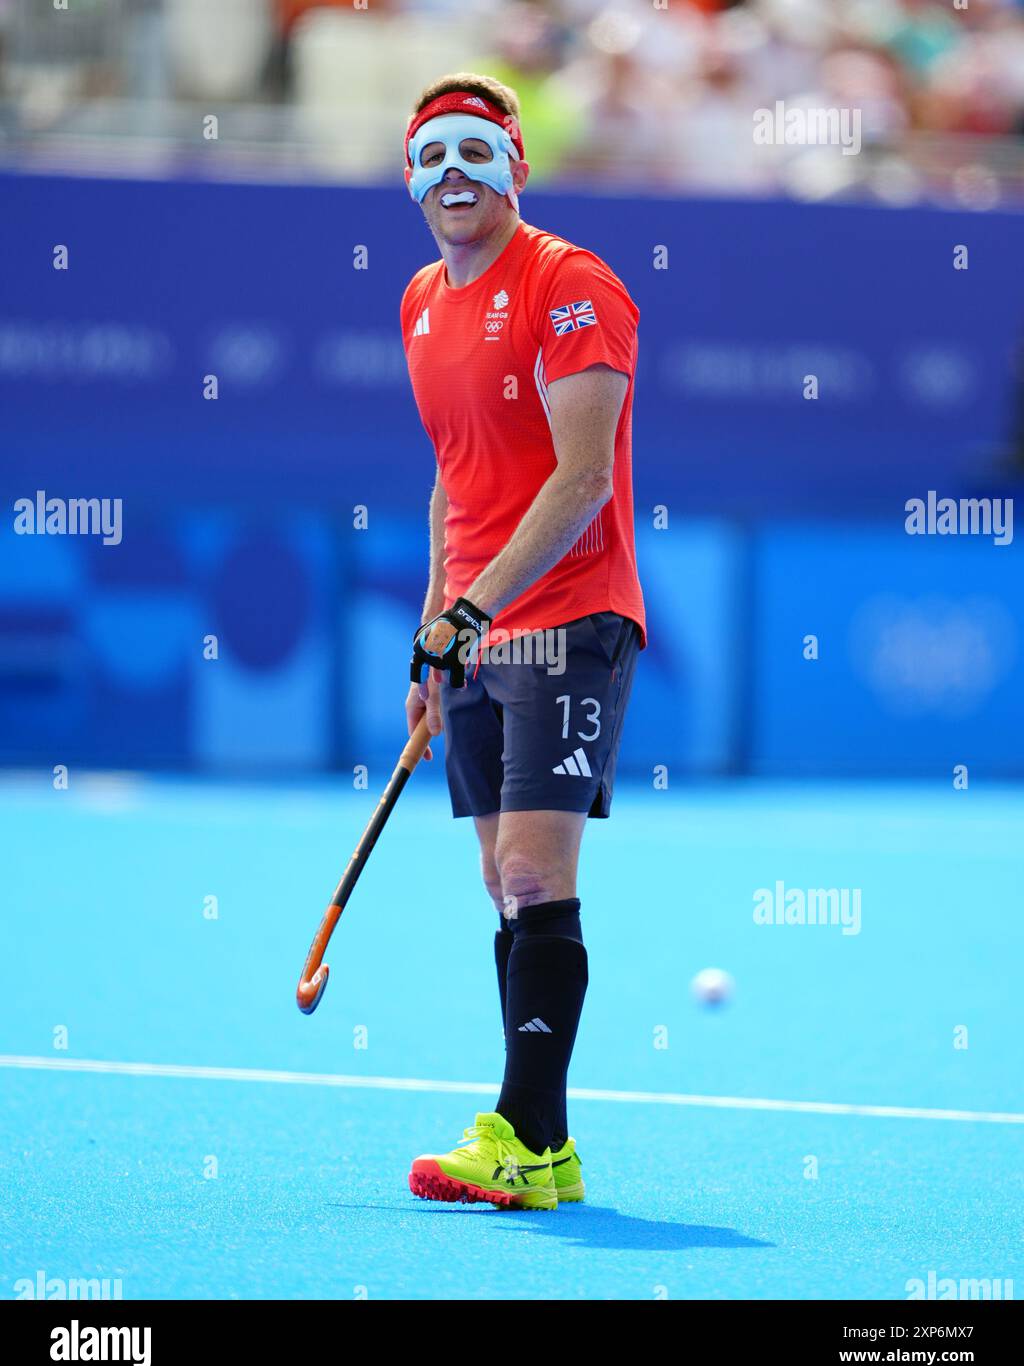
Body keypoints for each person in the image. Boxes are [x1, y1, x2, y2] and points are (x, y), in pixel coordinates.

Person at [400, 72, 645, 1210]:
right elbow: (454, 480)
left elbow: (583, 479)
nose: (453, 173)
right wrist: (433, 627)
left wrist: (475, 610)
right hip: (480, 627)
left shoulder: (568, 282)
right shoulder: (416, 300)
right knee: (504, 883)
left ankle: (527, 1136)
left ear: (515, 167)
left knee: (538, 869)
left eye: (475, 152)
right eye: (431, 156)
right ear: (410, 179)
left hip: (567, 617)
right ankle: (537, 1142)